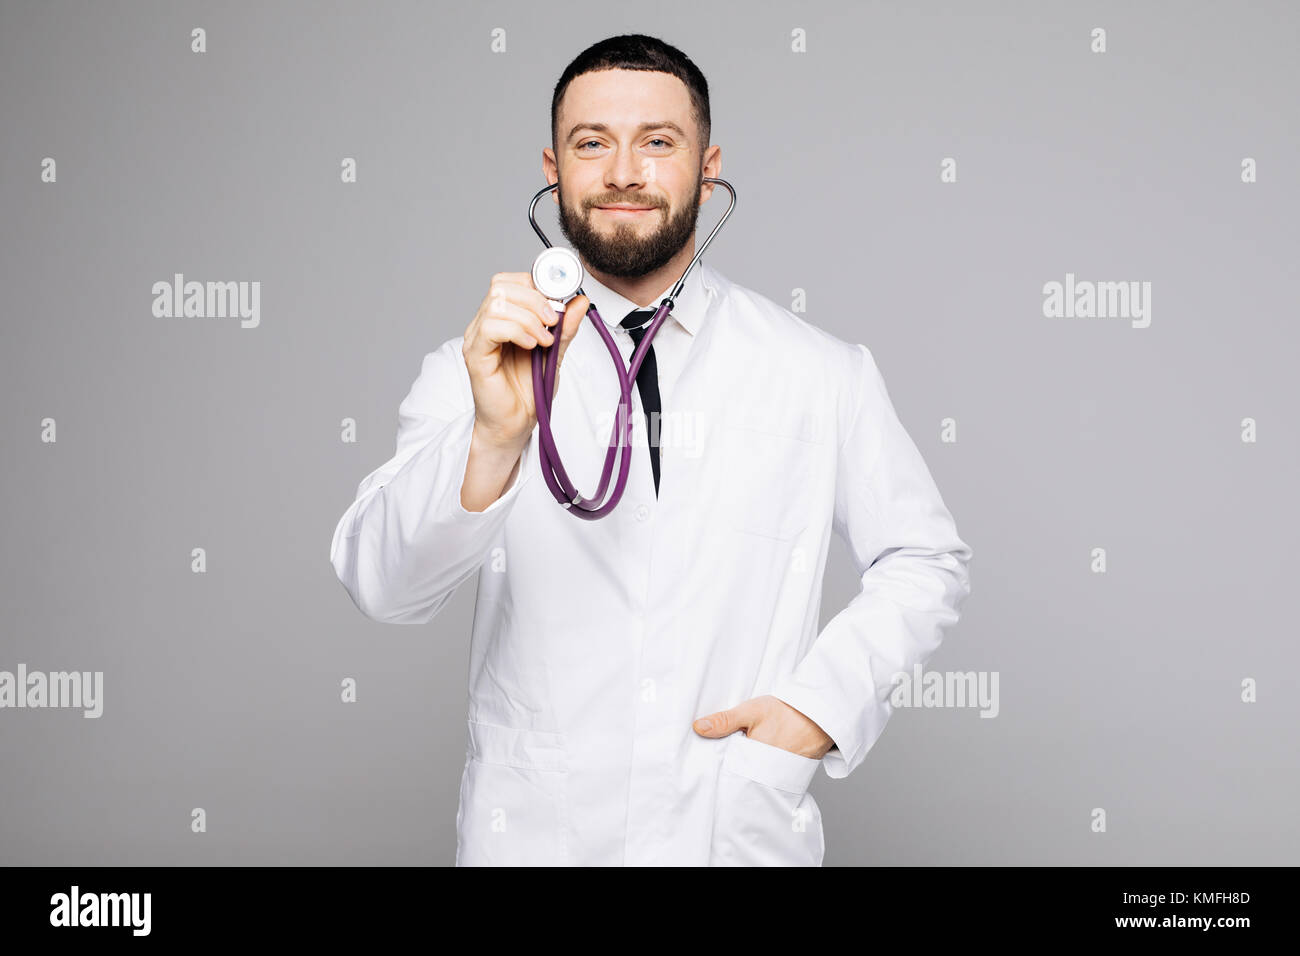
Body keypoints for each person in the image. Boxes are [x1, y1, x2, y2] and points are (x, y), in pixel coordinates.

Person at [329, 33, 972, 866]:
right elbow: (382, 588)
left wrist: (819, 709)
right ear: (554, 167)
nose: (623, 172)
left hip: (730, 829)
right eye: (591, 142)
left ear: (708, 167)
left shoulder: (819, 372)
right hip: (533, 834)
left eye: (657, 142)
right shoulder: (475, 366)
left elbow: (926, 558)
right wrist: (494, 437)